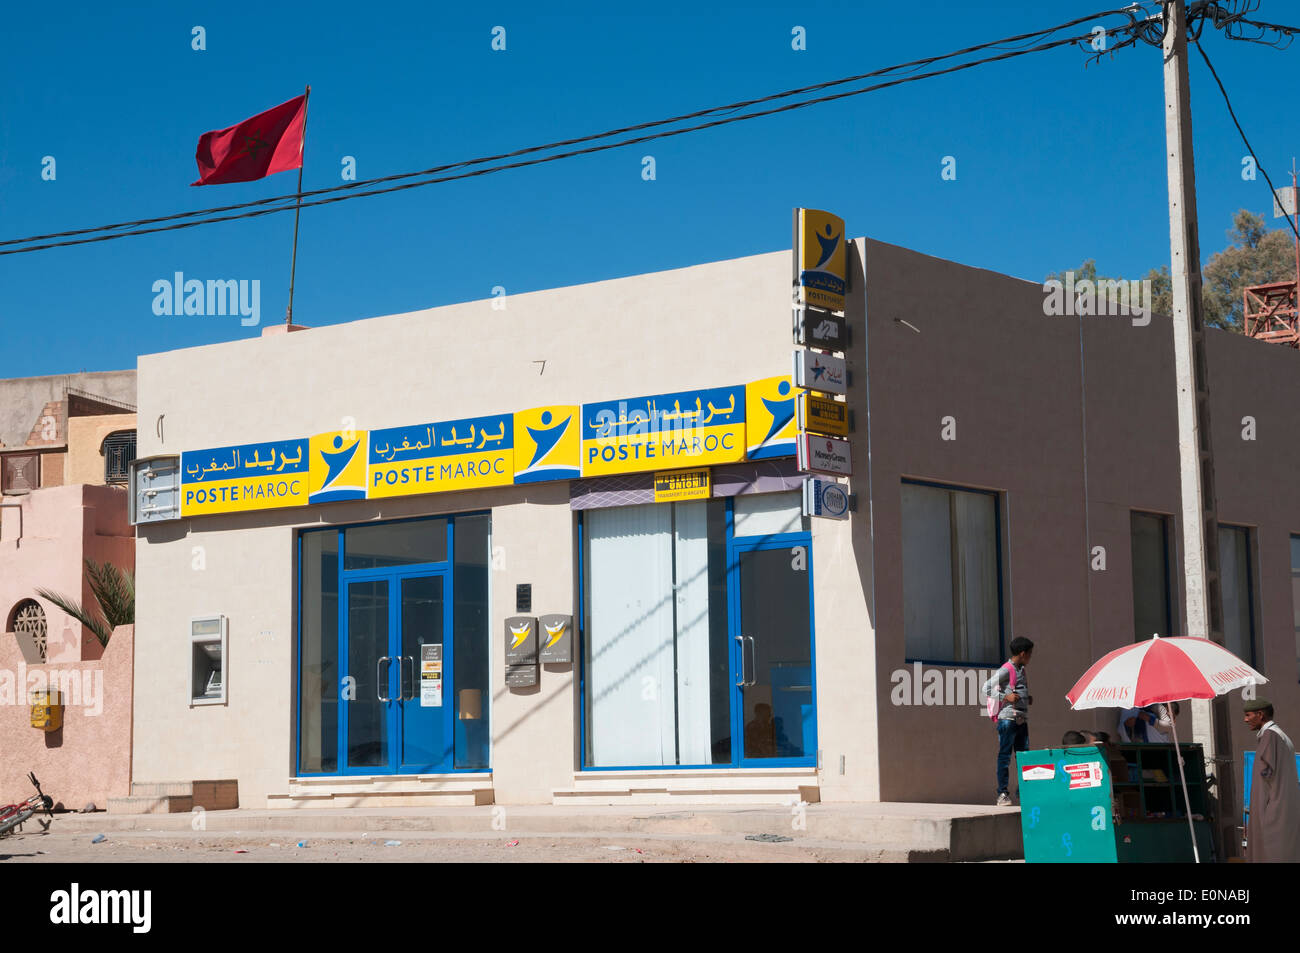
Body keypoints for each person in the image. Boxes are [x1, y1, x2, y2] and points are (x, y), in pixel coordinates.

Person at [1243, 698, 1300, 862]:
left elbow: (1266, 778)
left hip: (1273, 812)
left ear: (1260, 715)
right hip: (1283, 809)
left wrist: (1263, 813)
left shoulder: (1270, 736)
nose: (1245, 720)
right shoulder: (1280, 735)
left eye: (1248, 715)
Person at [982, 637, 1033, 807]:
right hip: (1008, 719)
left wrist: (1026, 698)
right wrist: (1006, 697)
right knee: (1005, 756)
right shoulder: (1006, 669)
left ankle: (1024, 791)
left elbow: (1017, 689)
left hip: (1021, 719)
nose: (1030, 658)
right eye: (1030, 654)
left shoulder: (1021, 669)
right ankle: (1002, 793)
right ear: (1023, 653)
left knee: (1023, 756)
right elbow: (986, 688)